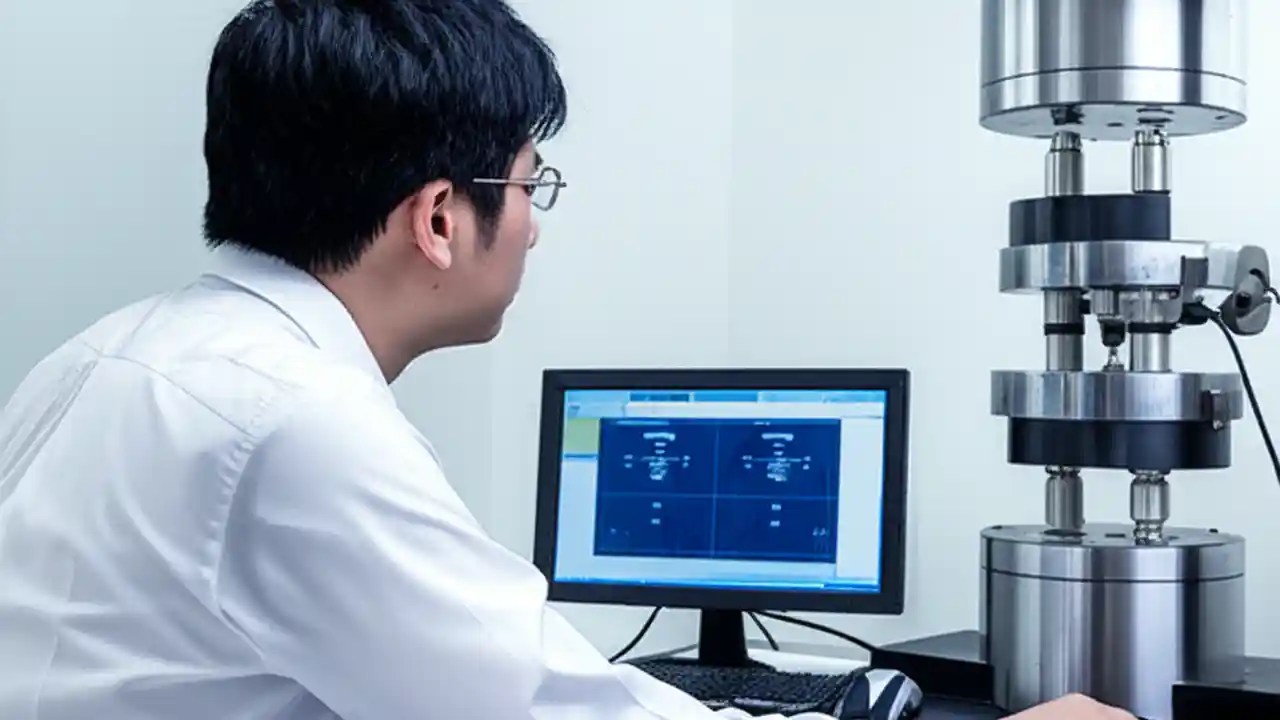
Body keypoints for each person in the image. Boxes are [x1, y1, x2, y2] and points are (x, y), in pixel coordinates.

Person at [0, 1, 1133, 719]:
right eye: (528, 185)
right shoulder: (293, 422)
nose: (535, 228)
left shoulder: (110, 354)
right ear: (439, 218)